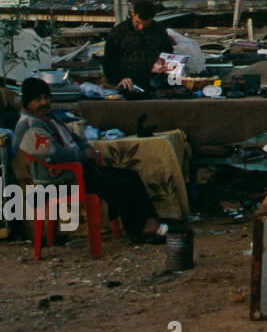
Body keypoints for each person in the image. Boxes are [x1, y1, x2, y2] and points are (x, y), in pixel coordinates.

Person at [15, 77, 167, 242]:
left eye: (46, 98)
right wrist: (81, 155)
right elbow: (52, 155)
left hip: (76, 169)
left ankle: (149, 221)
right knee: (121, 186)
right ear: (28, 101)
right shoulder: (29, 125)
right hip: (59, 178)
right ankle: (137, 231)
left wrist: (85, 148)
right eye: (38, 99)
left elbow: (73, 137)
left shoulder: (47, 117)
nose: (44, 102)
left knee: (130, 175)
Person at [103, 0, 175, 92]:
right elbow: (108, 62)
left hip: (153, 82)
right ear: (133, 13)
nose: (141, 27)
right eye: (138, 22)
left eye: (145, 24)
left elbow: (168, 52)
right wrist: (120, 78)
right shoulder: (119, 32)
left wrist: (163, 67)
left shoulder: (159, 30)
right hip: (127, 83)